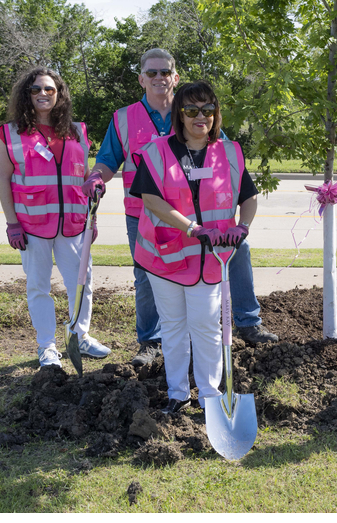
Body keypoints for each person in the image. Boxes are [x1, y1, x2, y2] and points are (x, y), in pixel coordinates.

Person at [81, 49, 276, 369]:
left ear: (175, 77)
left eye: (165, 72)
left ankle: (246, 321)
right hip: (144, 213)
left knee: (237, 254)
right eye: (152, 72)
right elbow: (107, 161)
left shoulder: (192, 109)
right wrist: (94, 178)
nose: (159, 78)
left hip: (202, 209)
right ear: (141, 78)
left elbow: (222, 153)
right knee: (147, 275)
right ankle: (151, 340)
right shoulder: (124, 118)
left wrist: (239, 216)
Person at [129, 81, 259, 414]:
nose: (200, 117)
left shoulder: (230, 152)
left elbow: (248, 196)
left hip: (213, 257)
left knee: (204, 325)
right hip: (166, 256)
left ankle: (210, 396)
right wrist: (191, 227)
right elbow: (151, 198)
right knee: (173, 326)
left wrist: (243, 226)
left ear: (216, 114)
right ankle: (177, 393)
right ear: (180, 114)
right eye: (191, 110)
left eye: (207, 110)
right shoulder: (158, 151)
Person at [0, 67, 111, 368]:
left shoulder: (77, 131)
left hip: (73, 225)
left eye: (49, 89)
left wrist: (93, 218)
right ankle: (46, 346)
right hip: (32, 227)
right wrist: (12, 223)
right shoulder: (11, 134)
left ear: (59, 94)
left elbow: (84, 175)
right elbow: (3, 181)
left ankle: (79, 336)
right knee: (38, 286)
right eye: (35, 90)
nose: (42, 94)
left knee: (82, 282)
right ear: (26, 95)